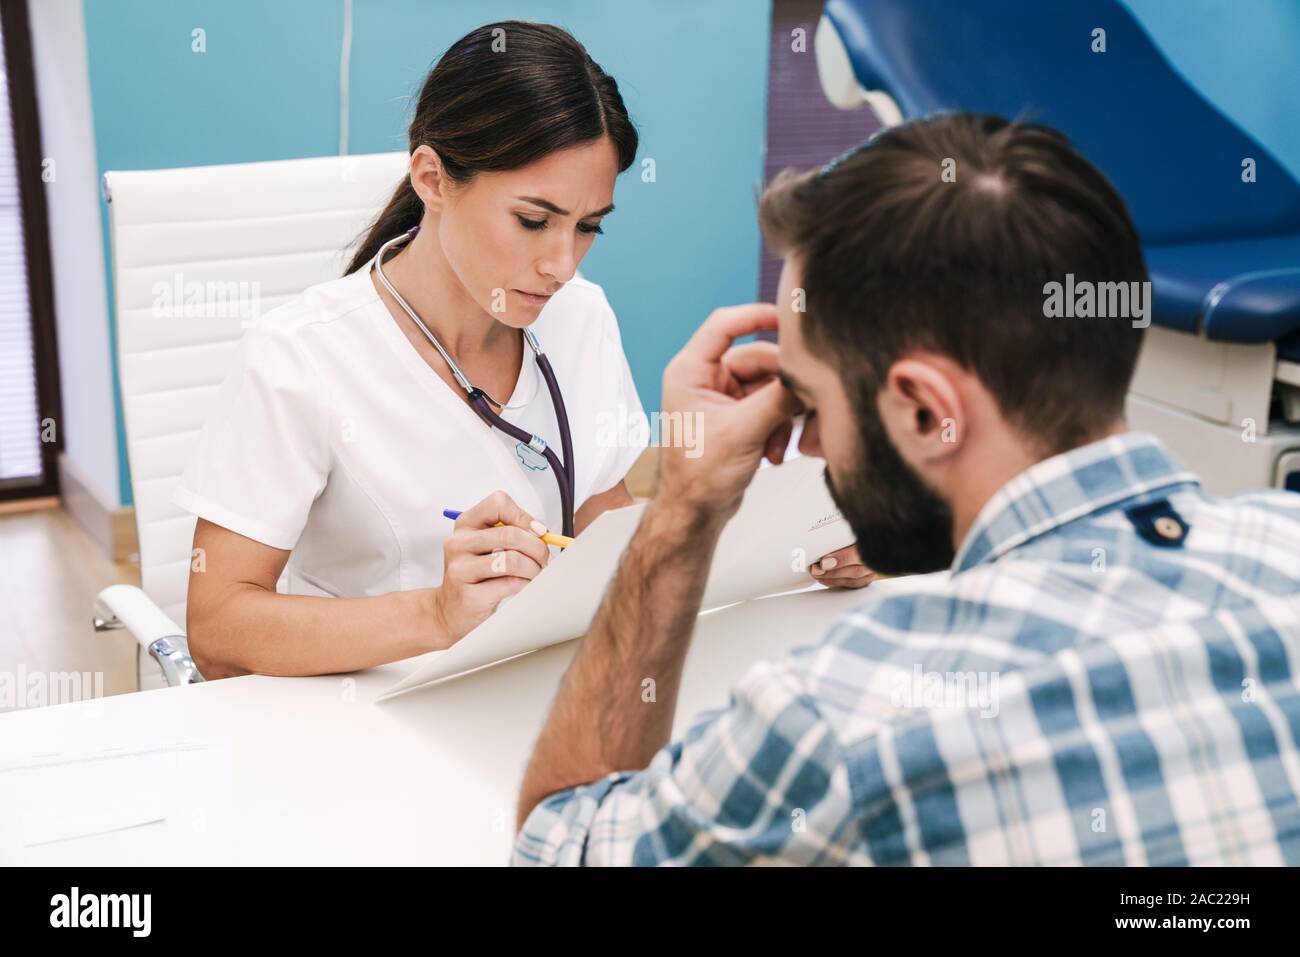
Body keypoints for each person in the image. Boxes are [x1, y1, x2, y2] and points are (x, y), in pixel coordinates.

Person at [511, 112, 1300, 866]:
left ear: (926, 411)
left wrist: (682, 506)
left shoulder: (849, 722)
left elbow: (559, 844)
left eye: (811, 400)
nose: (808, 441)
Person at [174, 21, 869, 681]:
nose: (562, 265)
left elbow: (602, 524)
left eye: (588, 227)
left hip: (532, 688)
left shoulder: (581, 317)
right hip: (362, 712)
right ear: (432, 179)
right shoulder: (298, 359)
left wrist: (788, 545)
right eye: (533, 221)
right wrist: (436, 613)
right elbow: (217, 627)